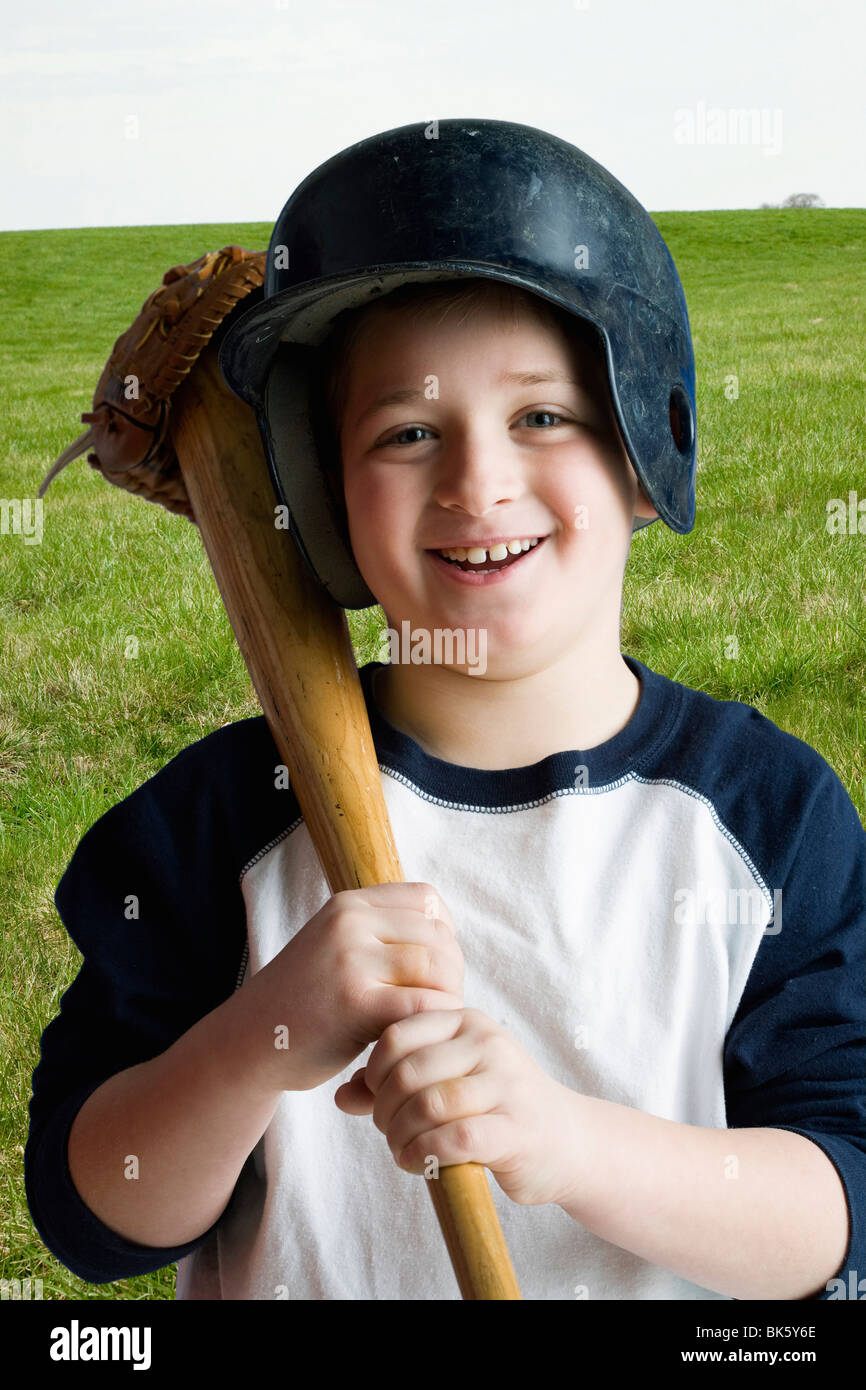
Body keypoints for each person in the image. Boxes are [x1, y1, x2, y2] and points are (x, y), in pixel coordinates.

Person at [25, 120, 864, 1301]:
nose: (478, 482)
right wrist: (261, 1033)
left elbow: (839, 1205)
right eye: (406, 433)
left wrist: (565, 1143)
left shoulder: (761, 816)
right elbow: (91, 1212)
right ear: (322, 499)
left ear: (642, 452)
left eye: (543, 416)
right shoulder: (219, 823)